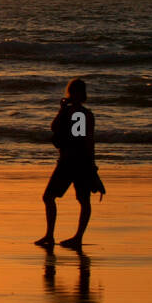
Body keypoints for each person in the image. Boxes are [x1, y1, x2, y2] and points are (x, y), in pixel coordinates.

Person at [35, 78, 104, 248]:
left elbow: (79, 139)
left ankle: (74, 237)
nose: (72, 95)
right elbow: (55, 127)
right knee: (56, 197)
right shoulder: (72, 112)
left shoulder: (80, 114)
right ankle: (52, 235)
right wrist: (62, 110)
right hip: (74, 161)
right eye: (71, 91)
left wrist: (90, 165)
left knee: (76, 199)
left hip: (73, 162)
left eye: (74, 92)